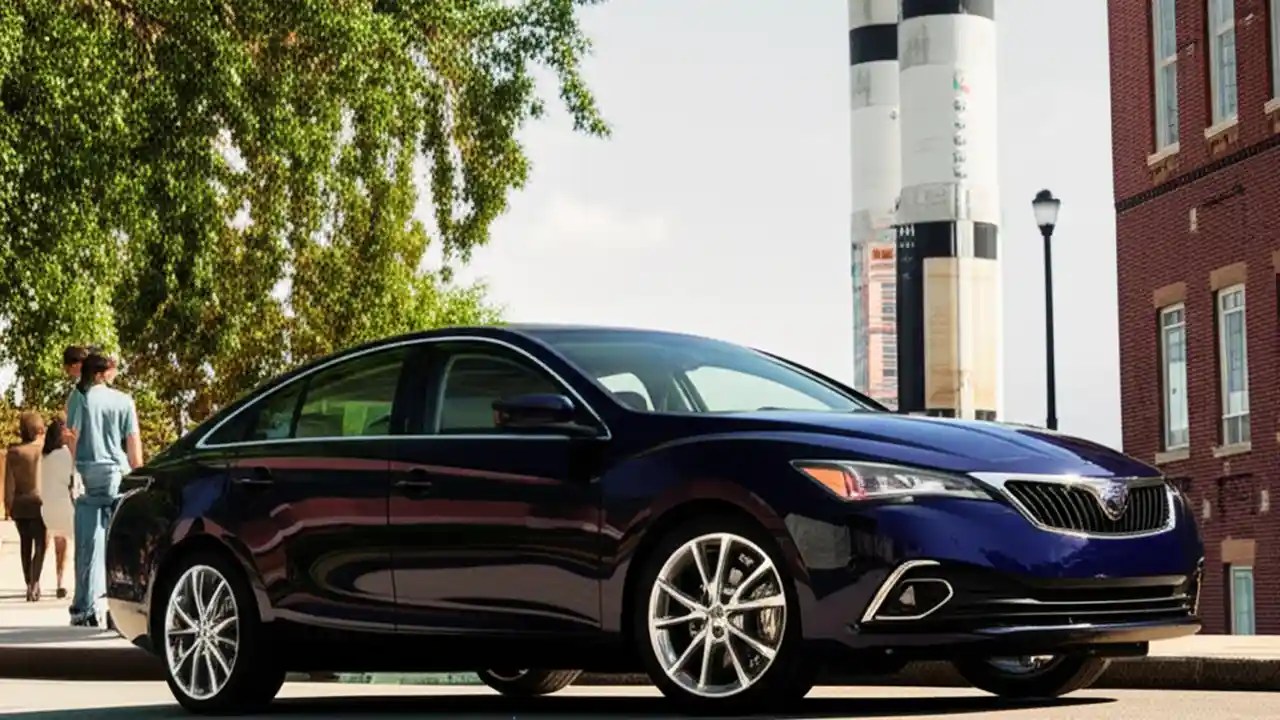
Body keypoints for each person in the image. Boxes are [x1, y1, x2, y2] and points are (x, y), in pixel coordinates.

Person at [66, 352, 143, 627]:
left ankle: (84, 609)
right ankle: (118, 610)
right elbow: (133, 446)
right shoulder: (124, 401)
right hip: (119, 476)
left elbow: (71, 438)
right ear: (102, 373)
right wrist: (139, 476)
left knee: (87, 547)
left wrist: (74, 469)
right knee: (119, 546)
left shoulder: (79, 398)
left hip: (90, 479)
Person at [4, 412, 49, 602]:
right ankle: (35, 581)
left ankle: (27, 582)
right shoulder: (43, 450)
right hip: (39, 502)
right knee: (41, 544)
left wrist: (8, 505)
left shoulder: (14, 453)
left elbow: (9, 484)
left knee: (25, 544)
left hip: (20, 503)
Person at [40, 416, 81, 599]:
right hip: (66, 507)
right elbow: (73, 477)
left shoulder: (45, 456)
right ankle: (80, 583)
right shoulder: (65, 453)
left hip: (48, 510)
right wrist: (74, 445)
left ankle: (60, 582)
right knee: (80, 546)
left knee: (60, 545)